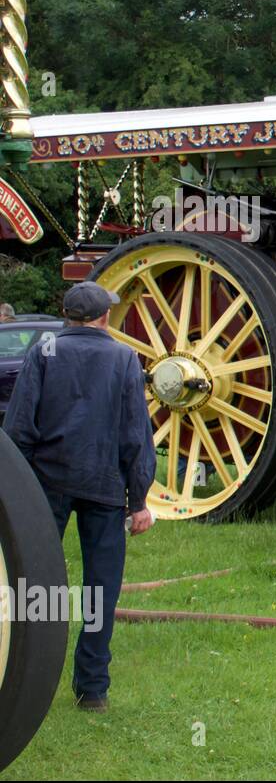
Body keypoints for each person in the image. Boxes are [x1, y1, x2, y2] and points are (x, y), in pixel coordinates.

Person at [2, 281, 155, 713]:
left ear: (68, 315)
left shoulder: (43, 351)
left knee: (31, 584)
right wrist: (139, 499)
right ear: (103, 317)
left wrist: (17, 492)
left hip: (46, 484)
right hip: (104, 486)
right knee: (101, 589)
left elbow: (19, 427)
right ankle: (92, 688)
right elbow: (135, 435)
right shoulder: (123, 357)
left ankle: (24, 676)